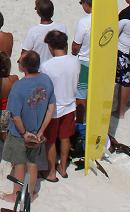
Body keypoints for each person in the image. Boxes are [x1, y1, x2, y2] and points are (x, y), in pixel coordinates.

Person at [0, 51, 55, 204]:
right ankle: (30, 194)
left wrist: (23, 133)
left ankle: (17, 194)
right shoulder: (46, 79)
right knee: (32, 163)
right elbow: (51, 107)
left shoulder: (18, 86)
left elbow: (14, 115)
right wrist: (41, 131)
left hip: (20, 133)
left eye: (19, 61)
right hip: (37, 131)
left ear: (23, 67)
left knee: (19, 163)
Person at [39, 30, 80, 181]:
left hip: (54, 108)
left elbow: (44, 90)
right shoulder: (75, 61)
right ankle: (63, 168)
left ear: (51, 46)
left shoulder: (46, 66)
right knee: (65, 138)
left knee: (50, 140)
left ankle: (51, 173)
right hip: (70, 105)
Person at [20, 0, 66, 65]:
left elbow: (24, 53)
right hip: (58, 69)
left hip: (39, 71)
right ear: (52, 11)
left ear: (38, 13)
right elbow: (65, 49)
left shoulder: (33, 31)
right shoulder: (62, 27)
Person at [71, 0, 93, 121]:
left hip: (85, 63)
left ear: (85, 2)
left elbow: (75, 47)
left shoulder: (83, 22)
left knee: (81, 94)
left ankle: (79, 121)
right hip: (100, 61)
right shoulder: (106, 18)